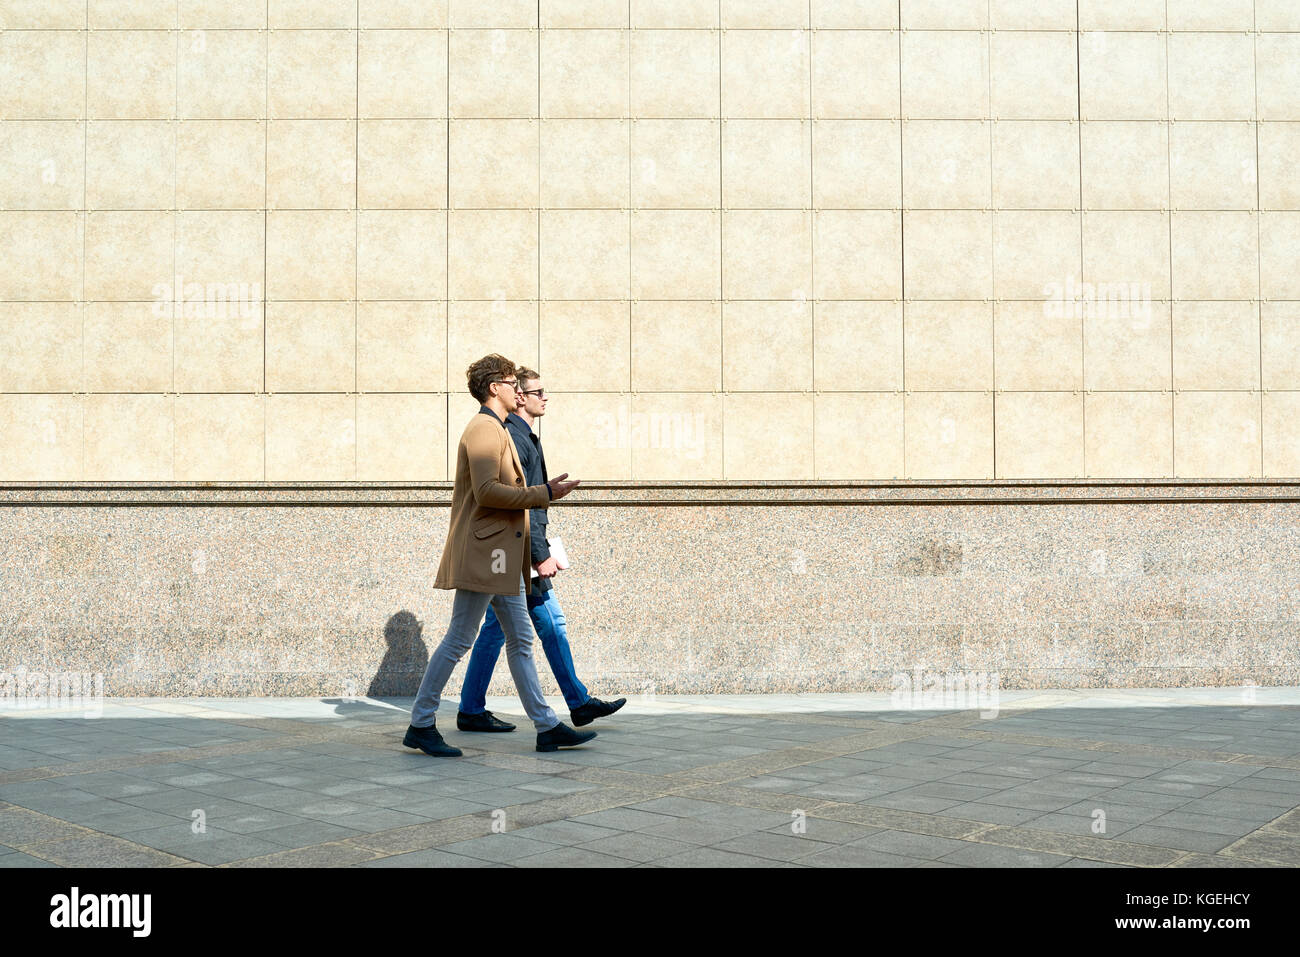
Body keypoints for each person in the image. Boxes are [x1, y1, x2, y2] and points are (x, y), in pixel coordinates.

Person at [403, 354, 596, 756]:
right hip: (485, 555)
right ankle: (421, 723)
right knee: (460, 638)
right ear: (495, 388)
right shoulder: (484, 429)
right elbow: (487, 490)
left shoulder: (494, 428)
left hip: (499, 556)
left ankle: (546, 726)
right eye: (512, 383)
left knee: (521, 637)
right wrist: (544, 494)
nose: (519, 390)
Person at [455, 368, 626, 734]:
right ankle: (570, 707)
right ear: (515, 396)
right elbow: (519, 499)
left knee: (498, 632)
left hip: (520, 548)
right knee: (535, 628)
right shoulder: (509, 435)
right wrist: (537, 554)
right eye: (535, 391)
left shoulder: (522, 434)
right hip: (516, 551)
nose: (541, 397)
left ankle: (472, 708)